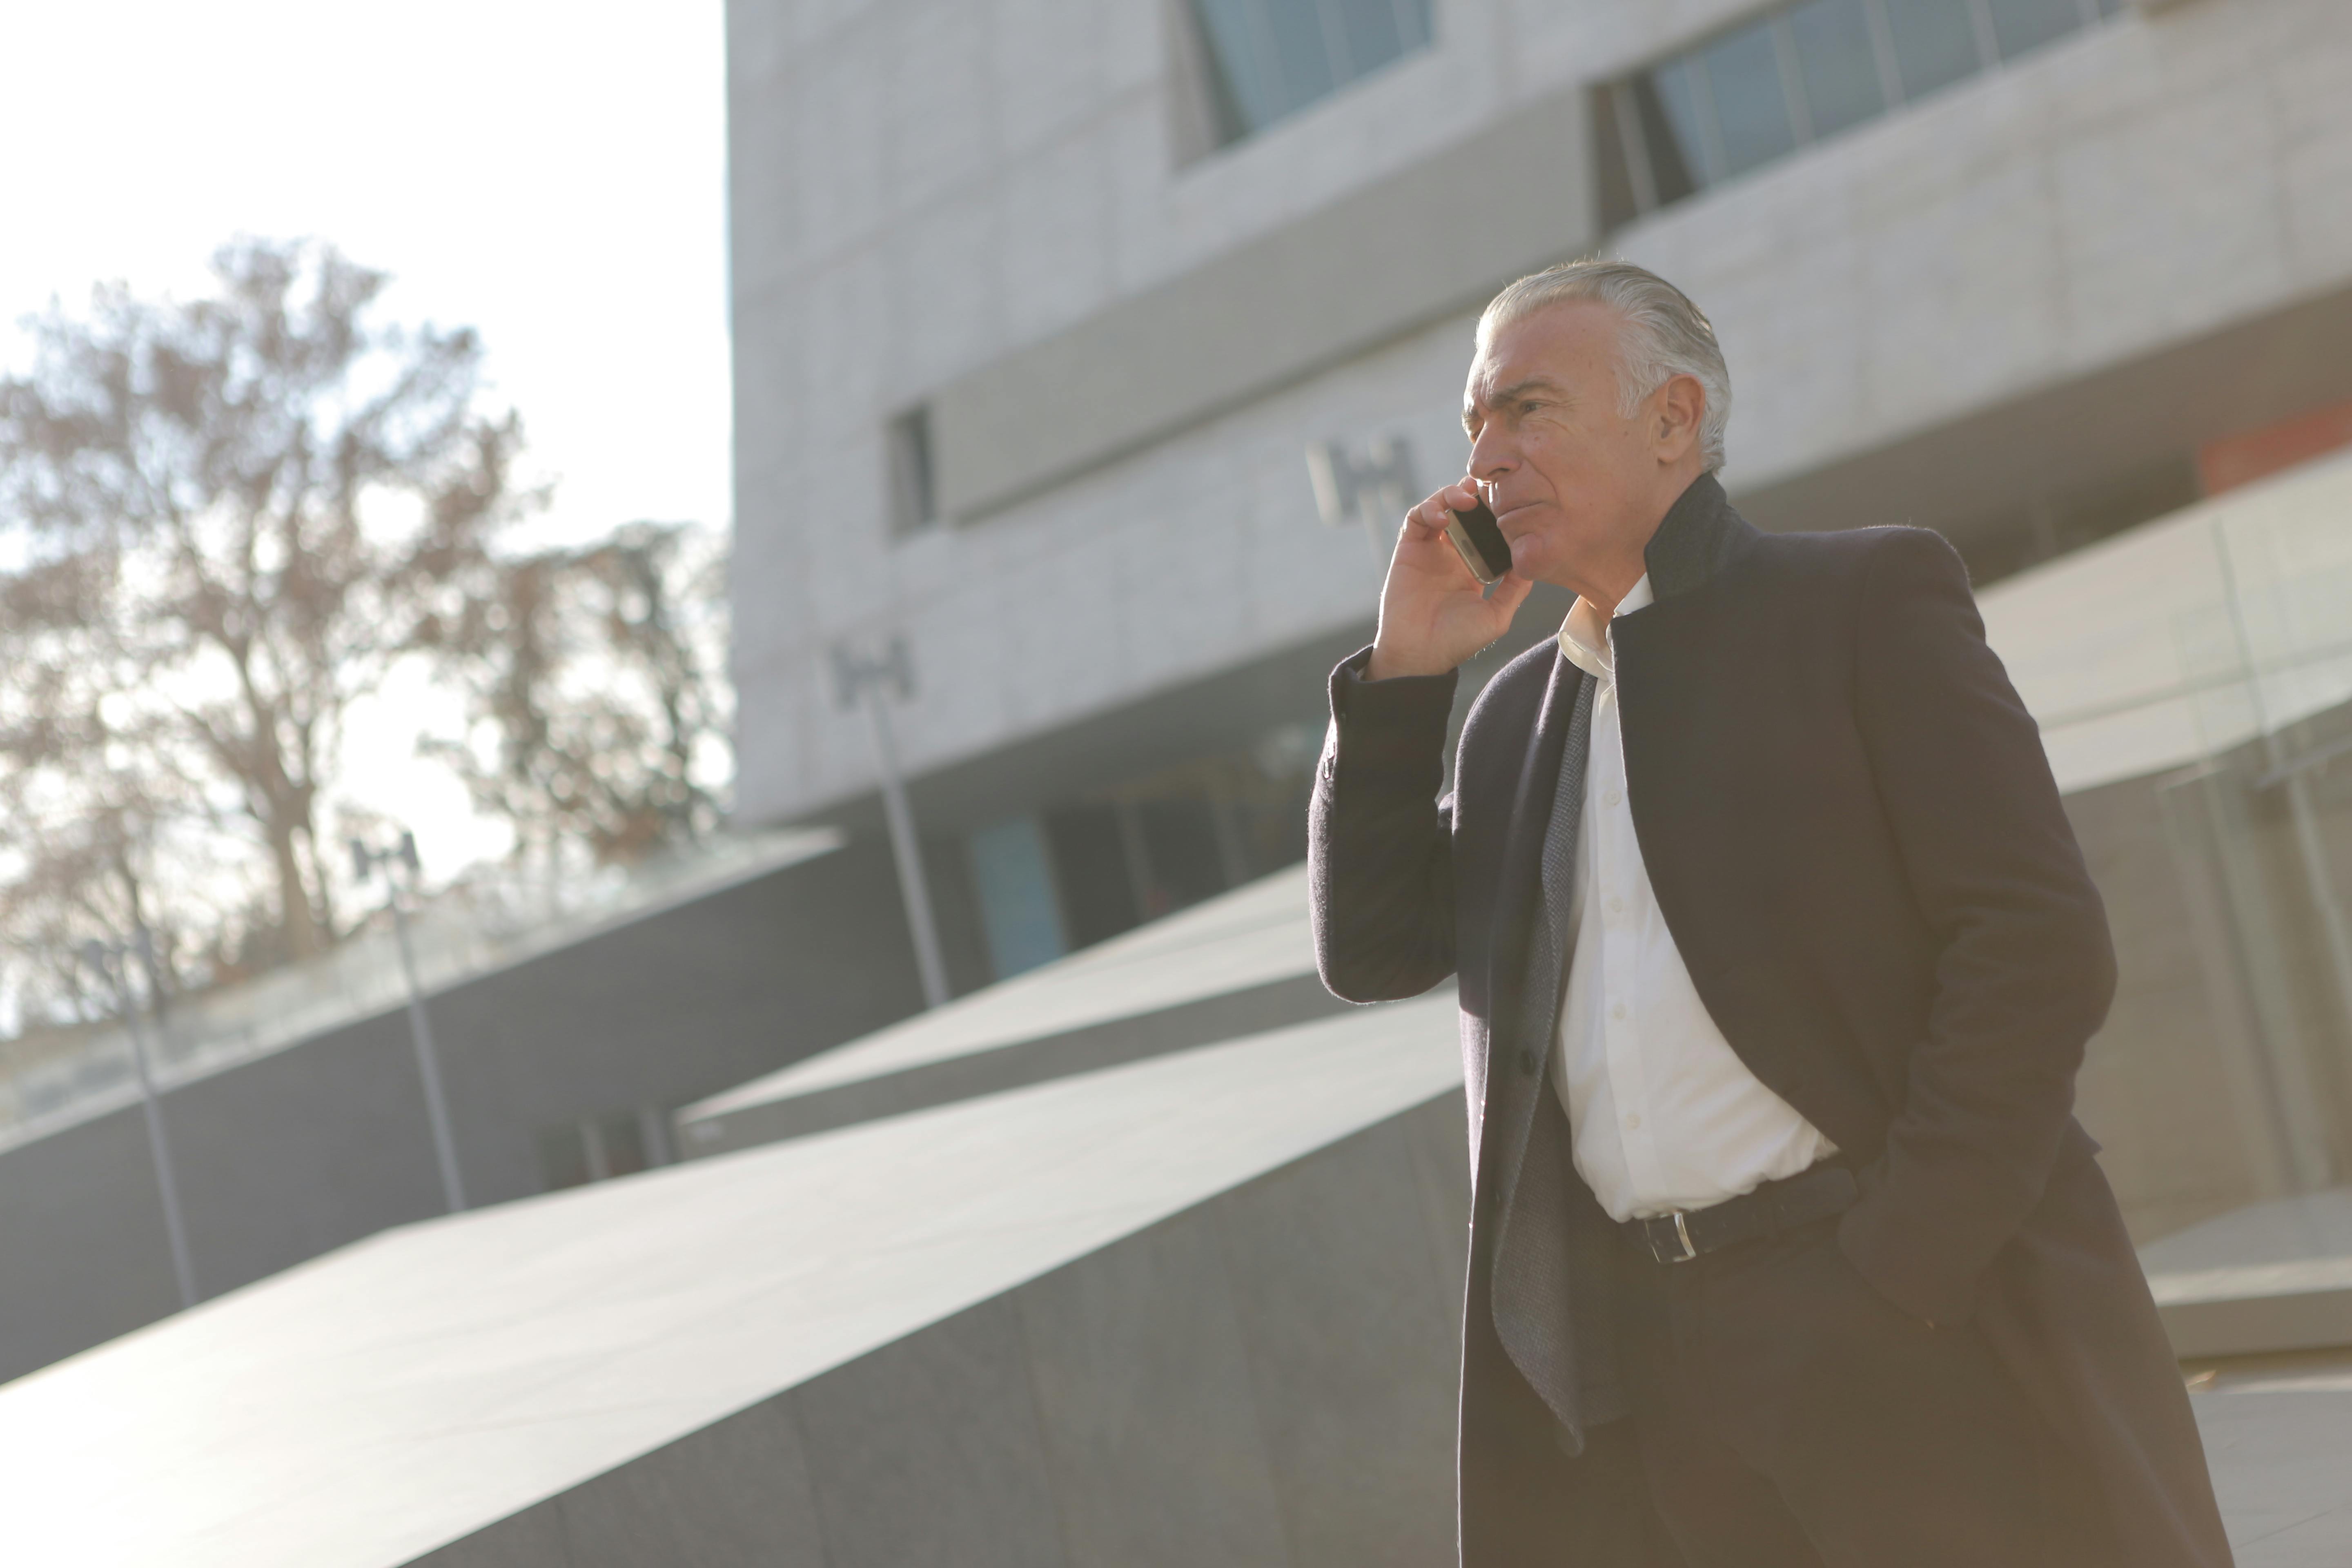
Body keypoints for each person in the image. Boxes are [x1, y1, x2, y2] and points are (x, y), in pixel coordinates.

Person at [1309, 259, 2233, 1568]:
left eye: (1529, 409)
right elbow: (1375, 946)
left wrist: (1903, 1268)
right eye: (1475, 423)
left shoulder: (1861, 602)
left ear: (1674, 419)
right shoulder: (1518, 718)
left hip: (1897, 1317)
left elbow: (2035, 942)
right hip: (1654, 1366)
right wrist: (1406, 679)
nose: (1485, 454)